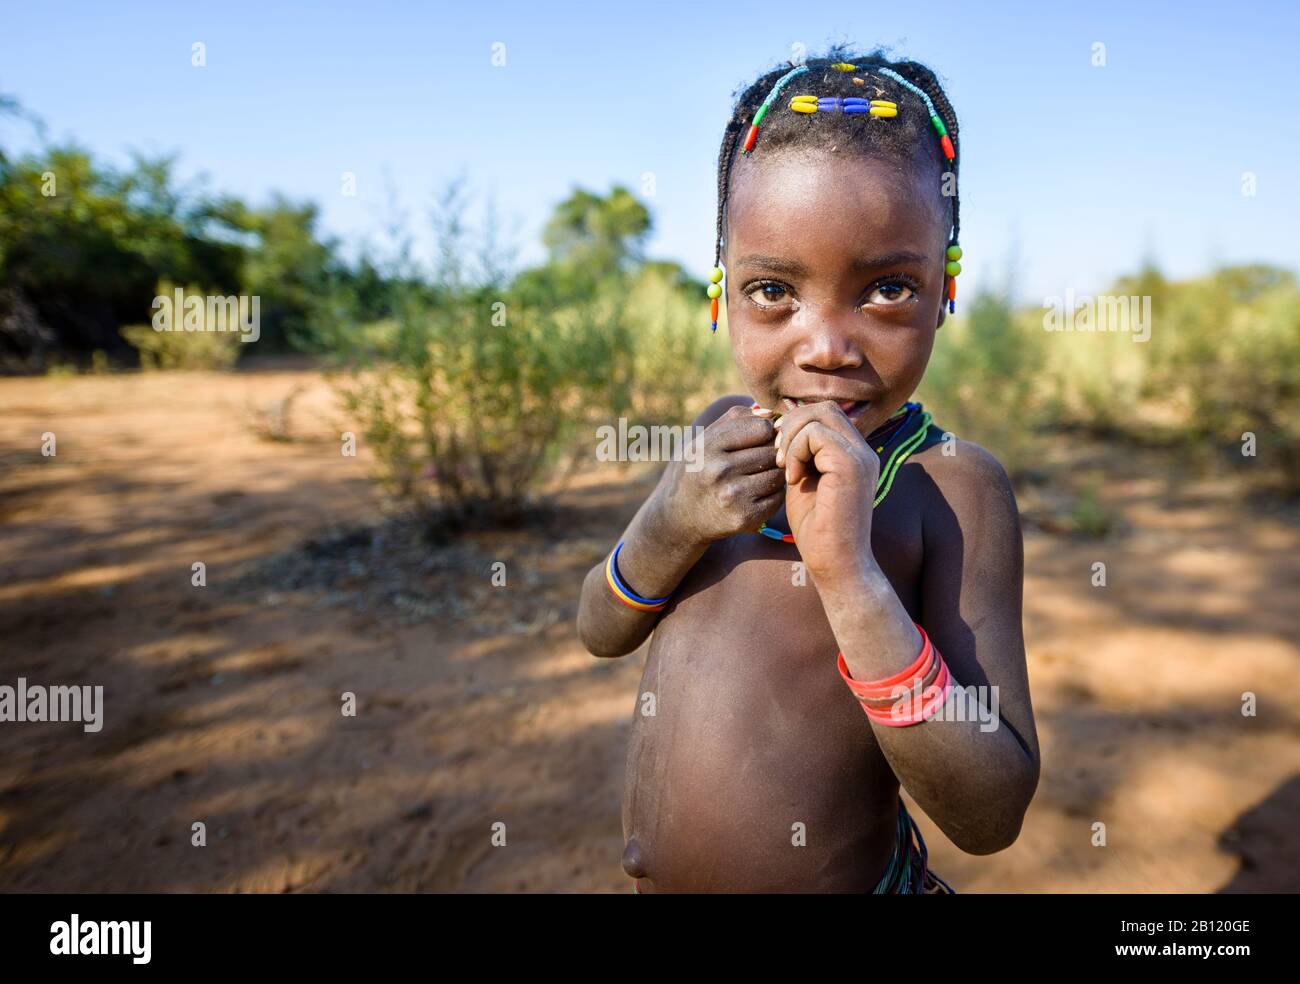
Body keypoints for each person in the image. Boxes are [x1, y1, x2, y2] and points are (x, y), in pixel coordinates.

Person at [576, 46, 1039, 893]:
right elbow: (600, 630)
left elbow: (991, 811)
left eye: (889, 287)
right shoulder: (722, 439)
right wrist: (671, 523)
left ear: (947, 288)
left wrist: (852, 582)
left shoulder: (954, 490)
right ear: (721, 285)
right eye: (773, 290)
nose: (825, 347)